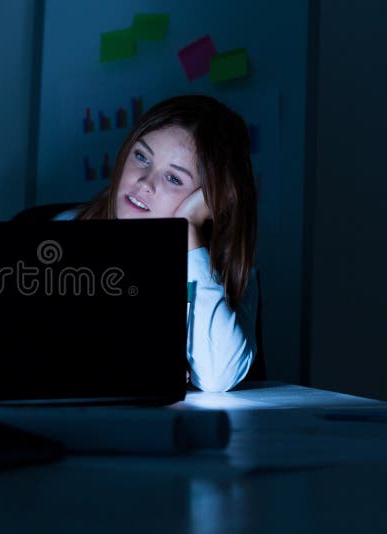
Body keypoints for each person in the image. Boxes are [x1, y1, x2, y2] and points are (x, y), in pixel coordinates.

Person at [58, 94, 258, 392]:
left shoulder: (224, 267)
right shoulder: (63, 234)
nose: (145, 182)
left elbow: (218, 376)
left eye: (174, 179)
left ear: (209, 200)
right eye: (142, 157)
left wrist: (188, 226)